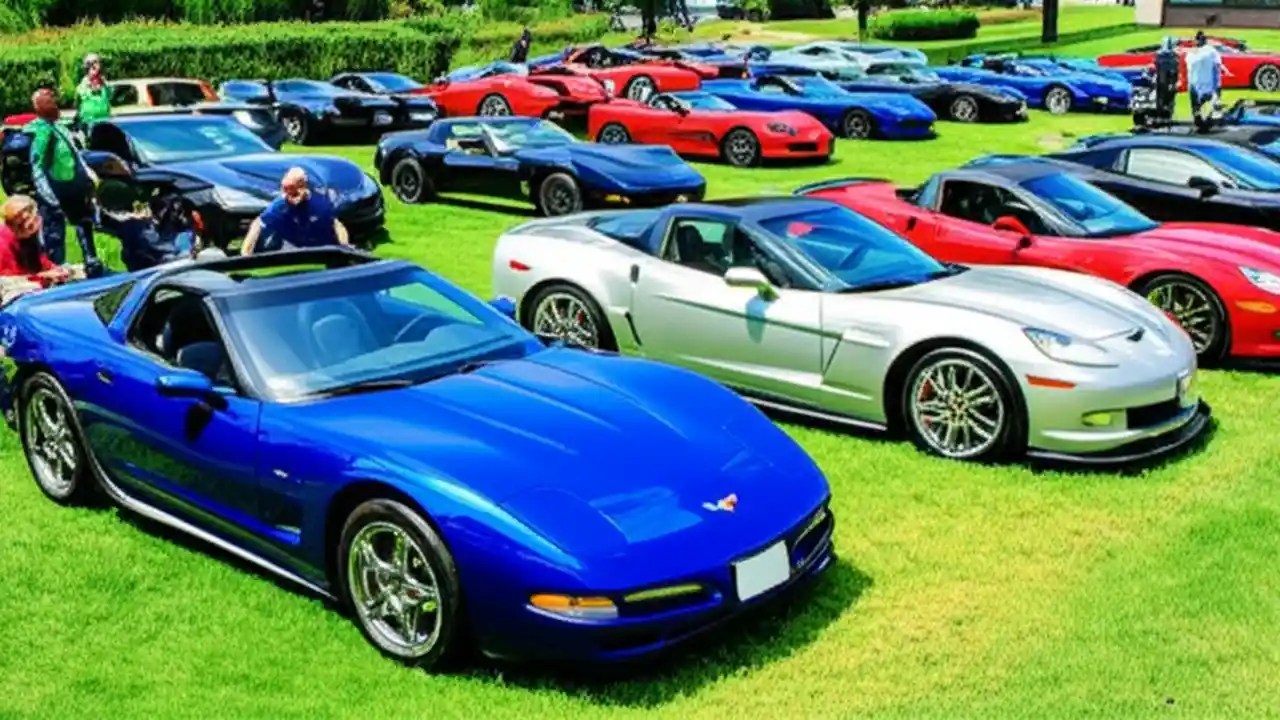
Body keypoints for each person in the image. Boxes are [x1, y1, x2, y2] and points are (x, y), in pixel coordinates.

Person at [27, 88, 103, 277]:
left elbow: (74, 154)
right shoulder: (42, 131)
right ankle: (57, 269)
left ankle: (91, 261)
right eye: (52, 102)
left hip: (74, 186)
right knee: (54, 232)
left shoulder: (59, 127)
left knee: (84, 223)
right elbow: (37, 166)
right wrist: (48, 196)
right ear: (41, 107)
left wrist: (88, 173)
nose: (56, 105)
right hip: (55, 188)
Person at [240, 168, 350, 256]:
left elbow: (337, 225)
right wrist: (246, 254)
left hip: (322, 247)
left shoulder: (320, 203)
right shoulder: (280, 205)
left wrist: (345, 247)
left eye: (294, 194)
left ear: (303, 187)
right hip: (294, 247)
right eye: (285, 191)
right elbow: (257, 224)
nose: (290, 198)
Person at [0, 195, 84, 304]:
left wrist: (56, 270)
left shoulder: (29, 237)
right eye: (29, 224)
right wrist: (45, 276)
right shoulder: (4, 244)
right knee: (30, 288)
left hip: (34, 280)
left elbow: (40, 261)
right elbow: (10, 280)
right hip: (12, 289)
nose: (37, 223)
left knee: (80, 271)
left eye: (36, 218)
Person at [1187, 31, 1230, 131]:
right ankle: (1207, 123)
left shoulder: (1193, 53)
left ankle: (1200, 123)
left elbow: (1189, 67)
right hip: (1208, 84)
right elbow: (1218, 65)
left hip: (1196, 83)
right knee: (1210, 104)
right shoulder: (1211, 51)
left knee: (1197, 106)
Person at [75, 53, 111, 128]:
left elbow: (109, 97)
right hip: (88, 124)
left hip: (105, 124)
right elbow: (77, 105)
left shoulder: (105, 85)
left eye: (97, 63)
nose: (94, 67)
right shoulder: (82, 87)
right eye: (91, 65)